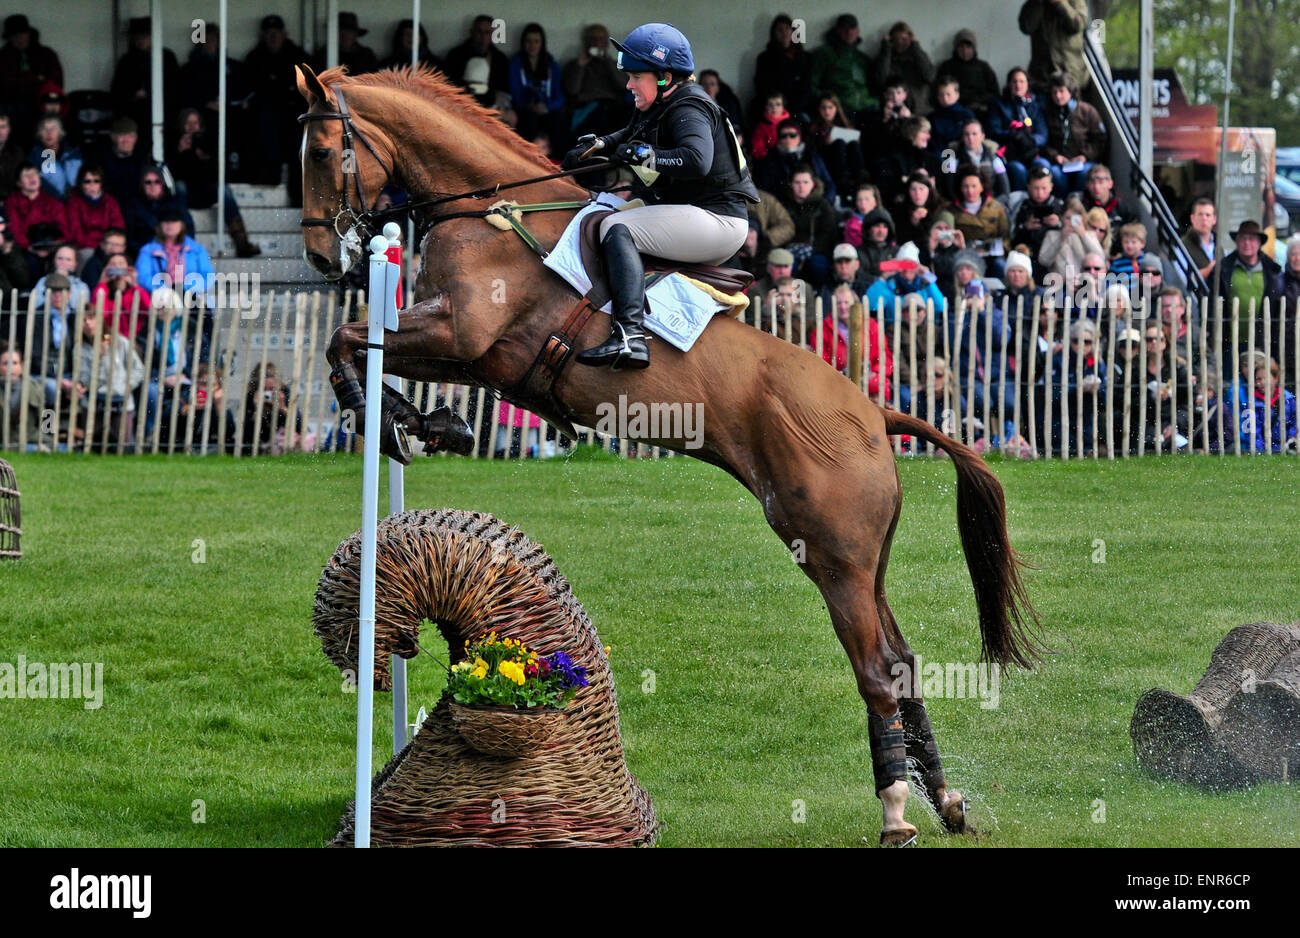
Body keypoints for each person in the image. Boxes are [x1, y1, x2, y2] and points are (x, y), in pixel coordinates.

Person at [561, 23, 757, 369]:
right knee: (601, 211)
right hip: (693, 211)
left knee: (617, 228)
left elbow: (697, 161)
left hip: (717, 220)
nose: (628, 84)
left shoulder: (689, 107)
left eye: (636, 76)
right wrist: (601, 144)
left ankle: (630, 336)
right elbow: (631, 132)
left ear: (665, 78)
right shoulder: (661, 102)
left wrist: (644, 155)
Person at [170, 108, 260, 257]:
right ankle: (187, 244)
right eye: (188, 123)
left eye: (195, 123)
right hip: (184, 195)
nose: (192, 126)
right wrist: (180, 151)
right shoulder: (173, 142)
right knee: (179, 187)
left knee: (224, 190)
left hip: (205, 192)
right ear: (182, 125)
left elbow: (218, 174)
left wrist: (204, 157)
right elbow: (170, 174)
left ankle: (242, 243)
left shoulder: (208, 141)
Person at [243, 16, 309, 193]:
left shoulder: (298, 56)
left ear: (284, 34)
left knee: (297, 150)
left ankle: (297, 192)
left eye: (276, 33)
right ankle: (268, 177)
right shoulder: (255, 57)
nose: (273, 37)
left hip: (294, 114)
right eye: (269, 33)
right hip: (266, 117)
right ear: (263, 36)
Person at [110, 18, 180, 152]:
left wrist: (151, 94)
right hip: (134, 117)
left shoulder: (166, 57)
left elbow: (175, 89)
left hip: (163, 115)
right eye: (137, 37)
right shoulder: (127, 61)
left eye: (145, 36)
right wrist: (132, 95)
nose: (140, 40)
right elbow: (116, 92)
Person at [819, 282, 893, 395]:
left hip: (869, 381)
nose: (843, 307)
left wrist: (876, 373)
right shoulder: (824, 330)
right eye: (839, 303)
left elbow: (883, 356)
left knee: (878, 385)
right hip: (837, 382)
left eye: (846, 302)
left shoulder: (872, 326)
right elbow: (821, 361)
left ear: (854, 304)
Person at [1210, 220, 1284, 331]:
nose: (1247, 243)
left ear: (1259, 243)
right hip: (1230, 338)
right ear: (1236, 242)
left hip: (1263, 339)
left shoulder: (1272, 270)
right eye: (1242, 238)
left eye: (1251, 239)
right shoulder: (1222, 269)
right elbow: (1212, 302)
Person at [0, 15, 63, 143]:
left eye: (22, 34)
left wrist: (22, 81)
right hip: (11, 112)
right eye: (15, 35)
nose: (19, 39)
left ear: (29, 34)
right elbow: (5, 83)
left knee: (46, 145)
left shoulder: (46, 54)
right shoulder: (3, 57)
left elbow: (55, 84)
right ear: (10, 38)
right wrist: (36, 79)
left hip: (40, 111)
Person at [1042, 72, 1105, 196]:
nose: (1058, 96)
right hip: (1060, 162)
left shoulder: (1087, 111)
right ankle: (1063, 203)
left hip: (1083, 161)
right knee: (1055, 173)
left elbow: (1100, 139)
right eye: (1054, 92)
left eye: (1061, 91)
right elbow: (1043, 142)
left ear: (1070, 91)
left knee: (1085, 173)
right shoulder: (1047, 112)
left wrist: (1085, 156)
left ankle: (1079, 202)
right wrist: (1056, 156)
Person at [988, 68, 1050, 192]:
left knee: (1044, 165)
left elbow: (1043, 134)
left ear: (1027, 84)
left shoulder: (1035, 105)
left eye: (1022, 81)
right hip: (1011, 154)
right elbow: (994, 131)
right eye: (1014, 82)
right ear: (1009, 84)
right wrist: (1014, 136)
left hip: (1032, 152)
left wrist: (1029, 140)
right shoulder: (998, 105)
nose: (1018, 85)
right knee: (1018, 170)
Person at [562, 24, 627, 143]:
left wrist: (608, 62)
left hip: (612, 108)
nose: (597, 43)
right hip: (587, 109)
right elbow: (572, 90)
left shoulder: (614, 65)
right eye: (593, 39)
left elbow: (623, 86)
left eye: (601, 39)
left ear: (606, 43)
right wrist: (580, 65)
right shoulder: (575, 65)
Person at [778, 165, 838, 288]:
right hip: (789, 249)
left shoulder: (822, 205)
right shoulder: (783, 205)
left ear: (813, 184)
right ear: (791, 184)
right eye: (797, 182)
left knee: (818, 266)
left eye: (805, 182)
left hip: (816, 250)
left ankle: (816, 295)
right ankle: (788, 299)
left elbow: (829, 233)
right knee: (785, 265)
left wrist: (812, 250)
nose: (801, 187)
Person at [443, 14, 513, 119]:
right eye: (479, 32)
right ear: (472, 33)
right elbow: (448, 87)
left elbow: (504, 91)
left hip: (491, 108)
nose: (483, 37)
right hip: (462, 107)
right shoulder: (456, 55)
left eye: (487, 33)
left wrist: (498, 106)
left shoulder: (499, 59)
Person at [753, 119, 837, 206]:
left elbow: (828, 183)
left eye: (792, 135)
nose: (788, 139)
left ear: (799, 137)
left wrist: (826, 203)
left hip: (814, 203)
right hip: (784, 207)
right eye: (783, 136)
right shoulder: (769, 160)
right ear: (779, 138)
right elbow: (765, 190)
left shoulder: (812, 156)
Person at [811, 15, 876, 123]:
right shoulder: (824, 54)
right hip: (841, 108)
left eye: (853, 29)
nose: (849, 32)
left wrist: (875, 101)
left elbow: (875, 84)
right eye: (845, 29)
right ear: (838, 31)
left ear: (858, 31)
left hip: (867, 107)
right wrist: (828, 101)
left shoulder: (863, 58)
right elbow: (812, 84)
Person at [948, 165, 1010, 277]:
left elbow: (1006, 236)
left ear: (982, 187)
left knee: (1001, 266)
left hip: (992, 258)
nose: (970, 191)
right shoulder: (953, 211)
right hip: (965, 257)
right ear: (960, 188)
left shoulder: (996, 208)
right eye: (966, 186)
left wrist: (997, 249)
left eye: (974, 186)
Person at [1018, 0, 1090, 96]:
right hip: (1042, 75)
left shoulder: (1075, 1)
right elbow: (1026, 27)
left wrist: (1060, 3)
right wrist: (1038, 3)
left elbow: (1077, 24)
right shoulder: (1036, 3)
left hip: (1070, 72)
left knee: (1070, 106)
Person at [865, 241, 946, 326]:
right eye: (903, 265)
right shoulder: (890, 287)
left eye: (910, 265)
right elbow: (870, 305)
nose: (907, 270)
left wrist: (929, 281)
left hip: (922, 335)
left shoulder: (925, 288)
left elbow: (941, 307)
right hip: (895, 335)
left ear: (917, 267)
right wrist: (883, 277)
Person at [508, 23, 564, 142]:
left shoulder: (552, 65)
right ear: (523, 43)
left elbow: (559, 97)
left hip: (548, 109)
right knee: (529, 121)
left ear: (542, 43)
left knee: (557, 121)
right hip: (525, 109)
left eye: (536, 41)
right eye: (528, 41)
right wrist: (529, 106)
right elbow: (515, 94)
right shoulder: (516, 65)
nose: (532, 45)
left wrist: (546, 107)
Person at [753, 14, 812, 122]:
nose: (784, 33)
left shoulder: (805, 57)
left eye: (787, 29)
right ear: (774, 33)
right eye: (780, 30)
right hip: (774, 106)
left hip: (798, 107)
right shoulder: (765, 58)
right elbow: (762, 85)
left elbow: (807, 85)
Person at [123, 168, 194, 255]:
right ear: (142, 185)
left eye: (157, 181)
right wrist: (147, 251)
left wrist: (181, 249)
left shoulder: (175, 203)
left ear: (163, 184)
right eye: (148, 182)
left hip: (176, 253)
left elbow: (188, 228)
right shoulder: (133, 206)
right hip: (147, 254)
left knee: (179, 268)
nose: (153, 185)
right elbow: (130, 236)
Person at [808, 93, 865, 197]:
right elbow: (813, 149)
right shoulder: (815, 127)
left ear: (836, 108)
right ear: (819, 109)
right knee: (839, 143)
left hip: (848, 162)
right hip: (829, 163)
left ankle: (860, 178)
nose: (827, 111)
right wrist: (825, 143)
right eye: (824, 108)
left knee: (853, 144)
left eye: (830, 107)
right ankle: (844, 181)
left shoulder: (844, 124)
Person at [1238, 354, 1297, 454]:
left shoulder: (1289, 399)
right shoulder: (1251, 403)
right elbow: (1251, 432)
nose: (1262, 382)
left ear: (1276, 378)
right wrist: (1261, 451)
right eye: (1258, 379)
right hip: (1263, 450)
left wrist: (1292, 437)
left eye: (1266, 378)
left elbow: (1295, 421)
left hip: (1287, 447)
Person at [873, 21, 935, 115]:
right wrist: (886, 49)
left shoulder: (919, 55)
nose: (899, 42)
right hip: (892, 110)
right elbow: (880, 80)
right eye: (896, 39)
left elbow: (929, 76)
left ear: (911, 39)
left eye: (904, 39)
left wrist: (916, 48)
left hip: (919, 110)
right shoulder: (884, 57)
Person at [1038, 195, 1103, 284]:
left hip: (1085, 284)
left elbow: (1100, 258)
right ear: (1061, 217)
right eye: (1068, 218)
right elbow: (1043, 261)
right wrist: (1061, 239)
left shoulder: (1090, 235)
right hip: (1059, 285)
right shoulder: (1051, 235)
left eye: (1075, 218)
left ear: (1082, 218)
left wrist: (1083, 235)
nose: (1071, 222)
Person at [936, 30, 999, 120]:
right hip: (953, 110)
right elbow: (939, 91)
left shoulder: (983, 67)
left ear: (974, 48)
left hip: (980, 110)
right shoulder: (947, 67)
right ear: (956, 48)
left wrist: (979, 102)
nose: (965, 51)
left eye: (968, 47)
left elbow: (994, 93)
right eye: (961, 47)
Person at [941, 119, 1009, 201]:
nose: (970, 138)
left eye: (974, 134)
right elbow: (948, 190)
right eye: (966, 134)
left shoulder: (995, 159)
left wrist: (992, 206)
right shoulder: (952, 160)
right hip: (963, 205)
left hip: (991, 203)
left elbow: (1005, 192)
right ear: (962, 137)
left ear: (982, 136)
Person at [64, 164, 124, 259]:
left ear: (101, 183)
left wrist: (108, 245)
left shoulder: (110, 202)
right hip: (85, 247)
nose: (92, 185)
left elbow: (118, 228)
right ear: (81, 184)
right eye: (87, 181)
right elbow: (75, 233)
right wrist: (99, 246)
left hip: (109, 246)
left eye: (96, 181)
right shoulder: (74, 202)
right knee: (88, 255)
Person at [1011, 166, 1064, 270]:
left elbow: (1070, 235)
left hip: (1053, 254)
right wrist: (1025, 227)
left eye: (1044, 188)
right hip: (1027, 254)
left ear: (1051, 187)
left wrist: (1059, 224)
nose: (1040, 193)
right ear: (1029, 187)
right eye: (1036, 188)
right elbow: (1012, 237)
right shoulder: (1022, 206)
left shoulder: (1060, 206)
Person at [91, 252, 151, 339]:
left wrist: (135, 284)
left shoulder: (135, 292)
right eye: (112, 264)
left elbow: (148, 308)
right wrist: (102, 283)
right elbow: (99, 313)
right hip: (108, 337)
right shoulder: (103, 290)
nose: (117, 267)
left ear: (128, 267)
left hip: (132, 339)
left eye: (121, 263)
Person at [28, 115, 80, 198]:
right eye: (45, 129)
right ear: (39, 134)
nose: (49, 133)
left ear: (60, 133)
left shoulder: (73, 153)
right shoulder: (35, 158)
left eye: (53, 129)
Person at [926, 78, 975, 158]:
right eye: (941, 95)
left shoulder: (967, 115)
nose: (945, 98)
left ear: (957, 95)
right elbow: (931, 142)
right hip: (940, 154)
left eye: (948, 94)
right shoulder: (932, 117)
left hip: (963, 153)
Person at [1081, 164, 1138, 232]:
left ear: (1110, 184)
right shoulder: (1080, 205)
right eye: (1092, 182)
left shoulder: (1123, 207)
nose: (1096, 187)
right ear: (1087, 185)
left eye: (1101, 182)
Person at [891, 171, 941, 249]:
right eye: (913, 189)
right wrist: (913, 222)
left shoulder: (939, 208)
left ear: (929, 190)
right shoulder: (900, 210)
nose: (917, 193)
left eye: (921, 189)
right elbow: (900, 240)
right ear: (908, 191)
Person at [32, 243, 90, 309]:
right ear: (54, 260)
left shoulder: (81, 286)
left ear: (75, 263)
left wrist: (65, 282)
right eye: (60, 258)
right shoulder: (43, 281)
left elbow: (80, 310)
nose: (63, 262)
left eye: (68, 259)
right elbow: (36, 305)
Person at [819, 243, 874, 311]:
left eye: (847, 261)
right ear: (834, 265)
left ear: (857, 264)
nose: (843, 266)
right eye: (839, 262)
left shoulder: (868, 285)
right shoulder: (827, 287)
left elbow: (874, 315)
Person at [698, 71, 746, 141]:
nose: (709, 88)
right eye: (705, 84)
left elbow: (736, 128)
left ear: (717, 87)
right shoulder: (696, 106)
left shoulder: (728, 106)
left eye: (712, 84)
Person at [1181, 197, 1218, 282]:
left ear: (1214, 220)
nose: (1204, 219)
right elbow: (1181, 279)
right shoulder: (1182, 245)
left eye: (1208, 215)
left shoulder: (1220, 245)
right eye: (1200, 214)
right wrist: (1208, 271)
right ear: (1192, 218)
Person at [750, 92, 790, 161]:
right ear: (766, 107)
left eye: (778, 104)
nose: (774, 108)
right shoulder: (761, 127)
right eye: (770, 105)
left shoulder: (791, 123)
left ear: (783, 107)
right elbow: (757, 151)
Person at [0, 207, 29, 295]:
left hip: (6, 299)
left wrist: (7, 252)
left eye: (0, 224)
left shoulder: (10, 246)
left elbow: (23, 280)